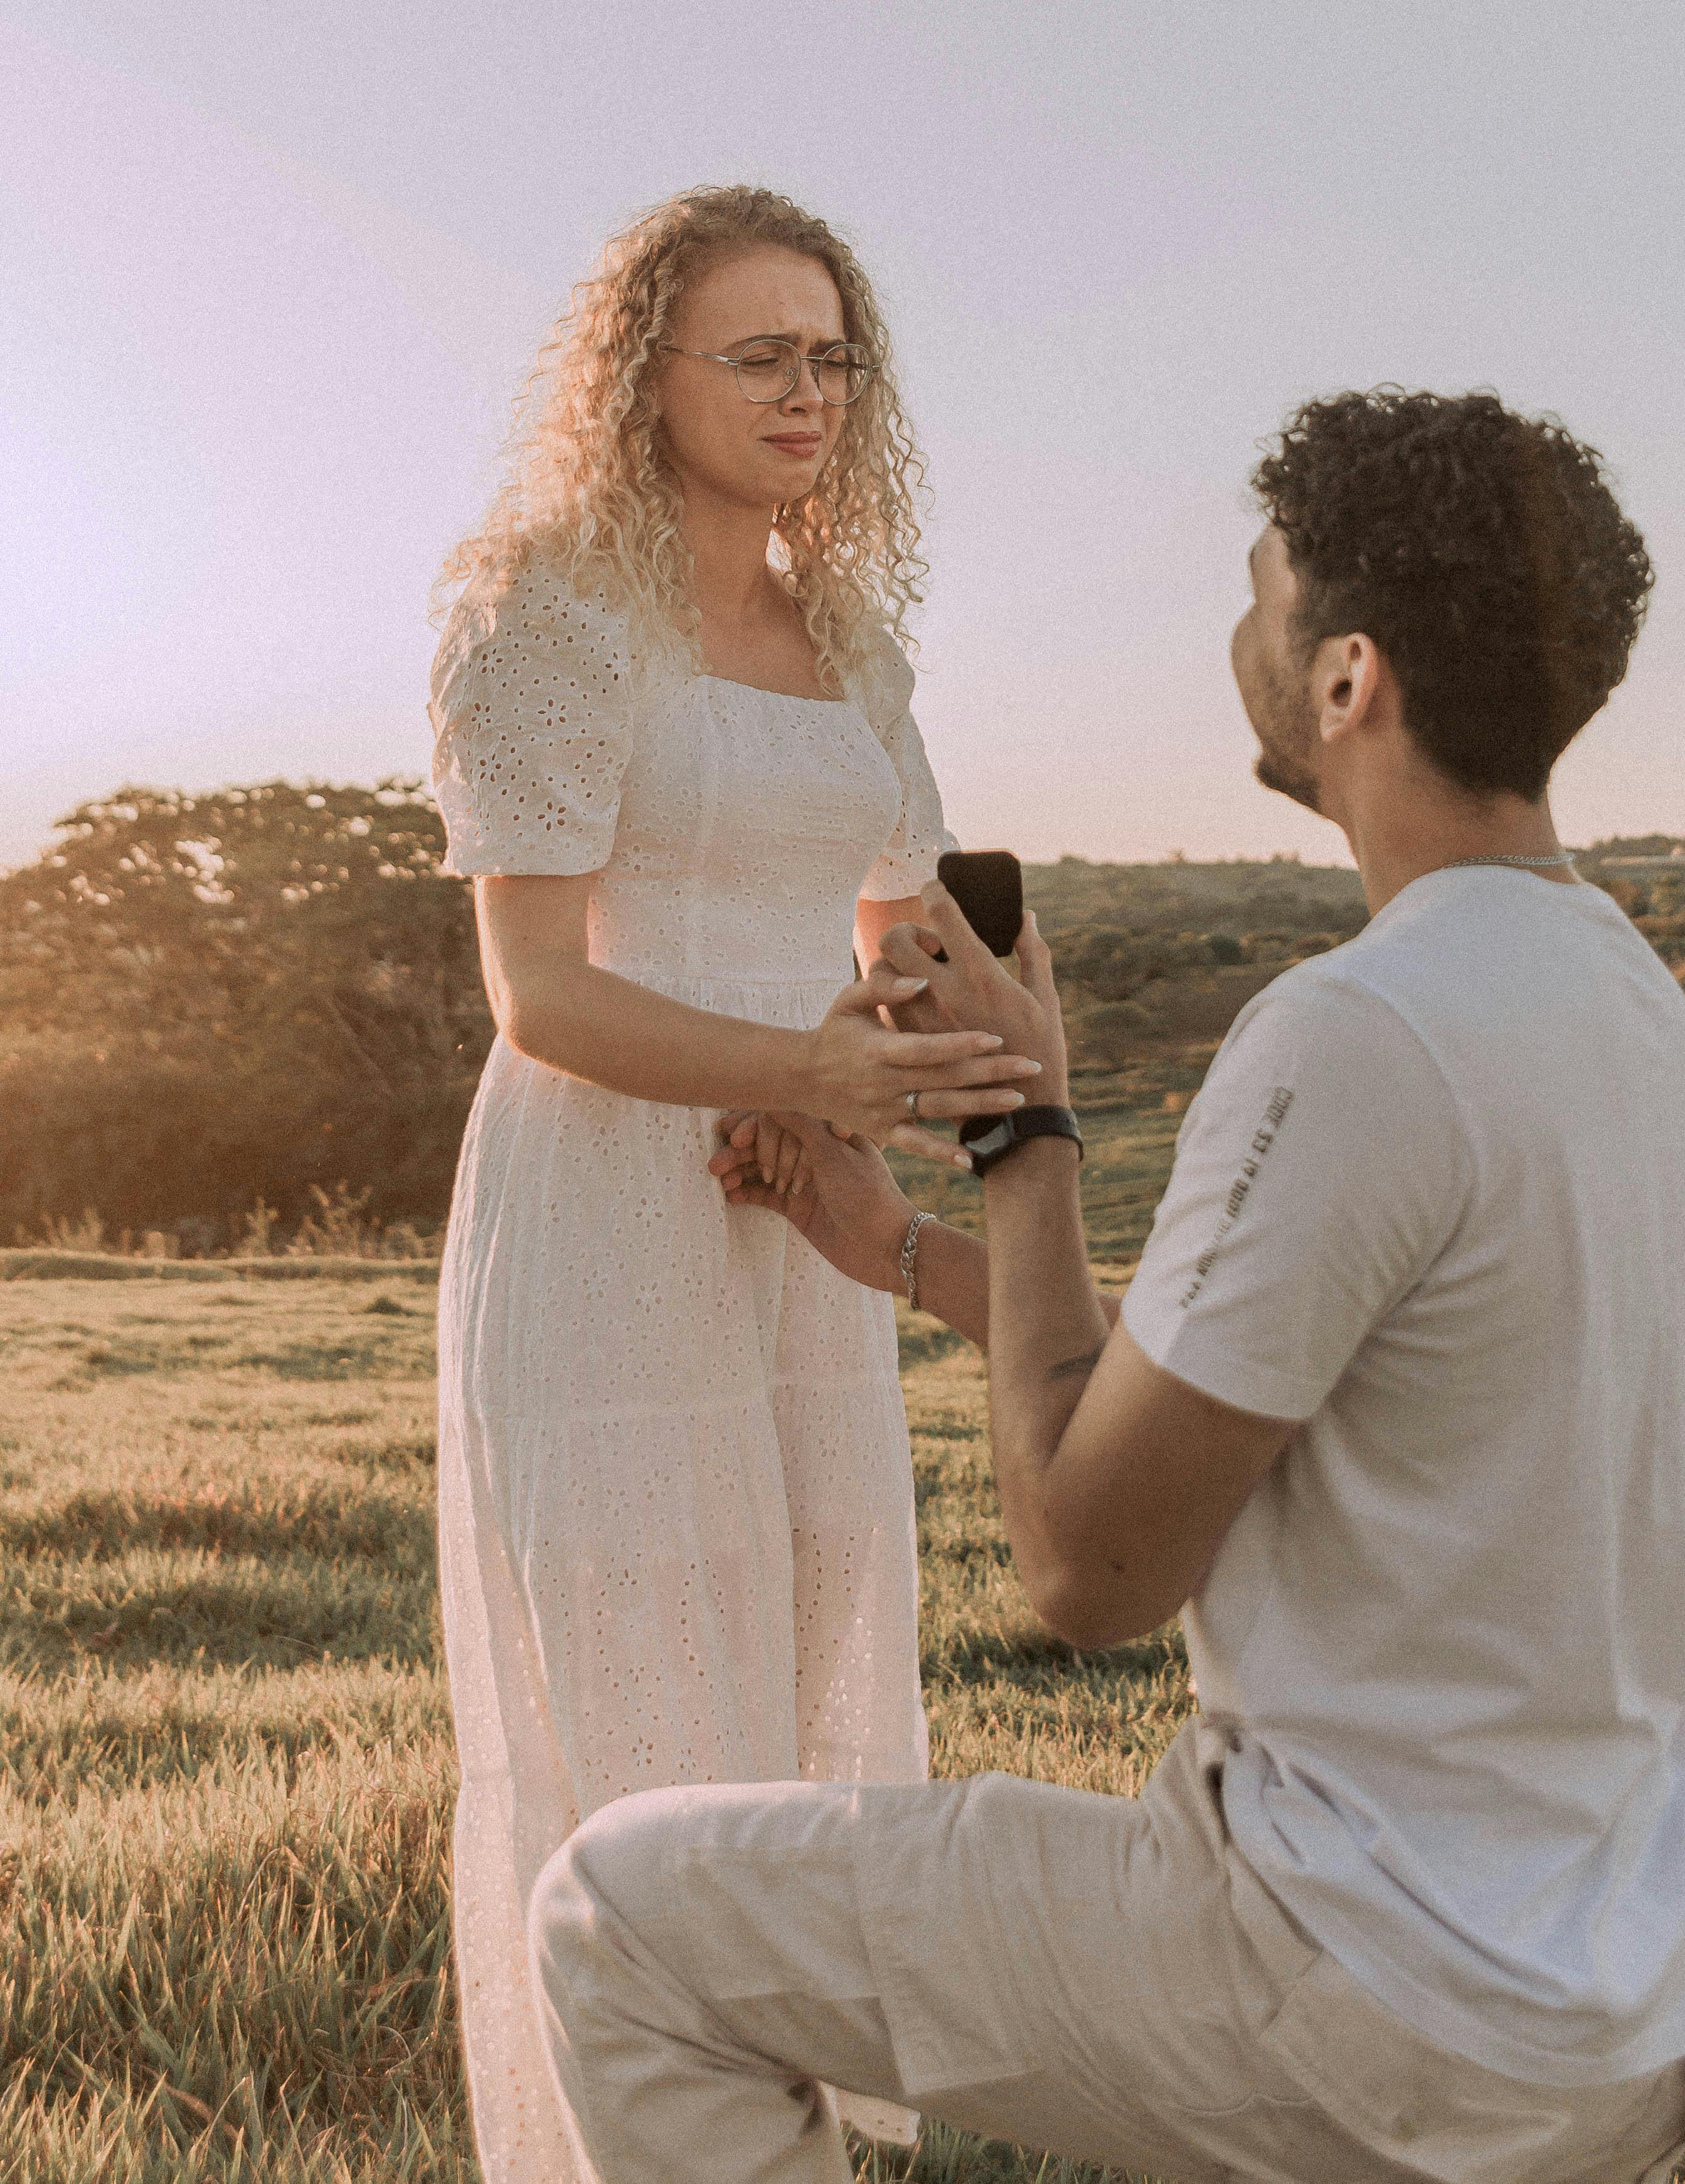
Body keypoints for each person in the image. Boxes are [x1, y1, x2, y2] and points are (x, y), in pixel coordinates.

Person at [526, 386, 1685, 2184]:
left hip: (1370, 1990)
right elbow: (1273, 1399)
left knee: (617, 1916)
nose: (1232, 633)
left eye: (1260, 594)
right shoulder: (1623, 993)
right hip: (1637, 1998)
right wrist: (911, 1256)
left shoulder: (1355, 1032)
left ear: (1346, 678)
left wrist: (1028, 1132)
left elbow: (1086, 1561)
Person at [426, 184, 1041, 2181]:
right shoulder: (550, 607)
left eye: (835, 356)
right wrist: (806, 1064)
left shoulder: (845, 627)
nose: (809, 392)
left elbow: (900, 916)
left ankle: (792, 2143)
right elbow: (538, 991)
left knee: (810, 1637)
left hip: (801, 1216)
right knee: (634, 1699)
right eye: (759, 354)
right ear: (647, 376)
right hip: (604, 1206)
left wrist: (969, 1013)